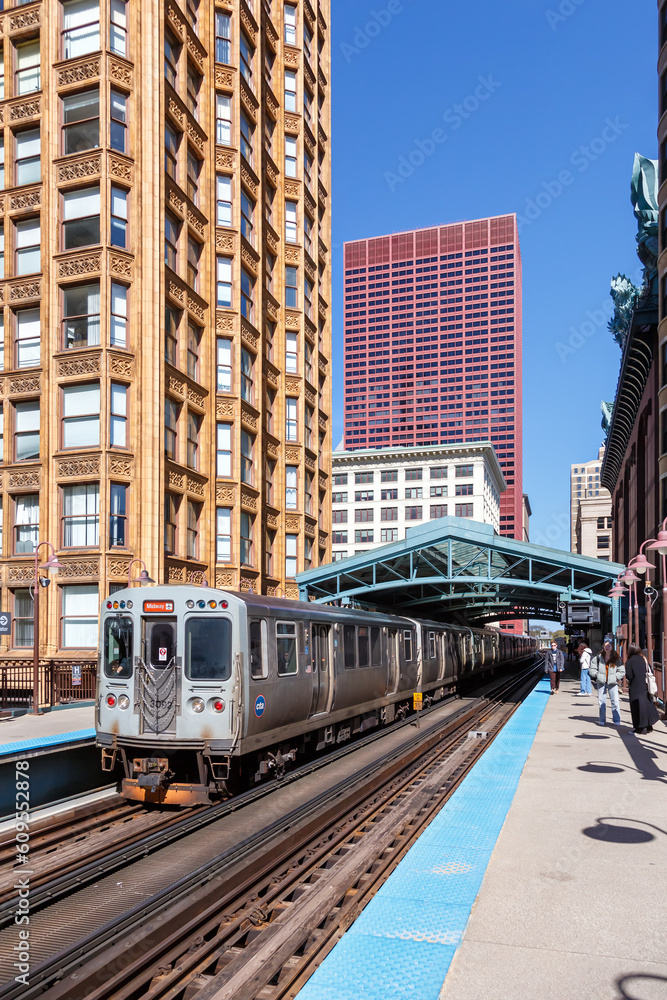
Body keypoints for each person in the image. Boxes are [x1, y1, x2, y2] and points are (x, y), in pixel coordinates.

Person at [624, 645, 660, 735]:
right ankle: (649, 726)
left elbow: (629, 676)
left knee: (637, 707)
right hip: (645, 685)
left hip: (635, 687)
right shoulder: (643, 658)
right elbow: (650, 670)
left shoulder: (629, 661)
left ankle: (640, 728)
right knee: (646, 705)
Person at [589, 640, 625, 726]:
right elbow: (592, 668)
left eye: (609, 646)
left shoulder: (616, 658)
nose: (607, 647)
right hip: (601, 682)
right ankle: (602, 719)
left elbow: (622, 670)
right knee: (601, 701)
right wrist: (596, 675)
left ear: (612, 647)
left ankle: (616, 719)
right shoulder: (598, 657)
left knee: (615, 701)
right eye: (605, 646)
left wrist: (616, 677)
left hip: (613, 682)